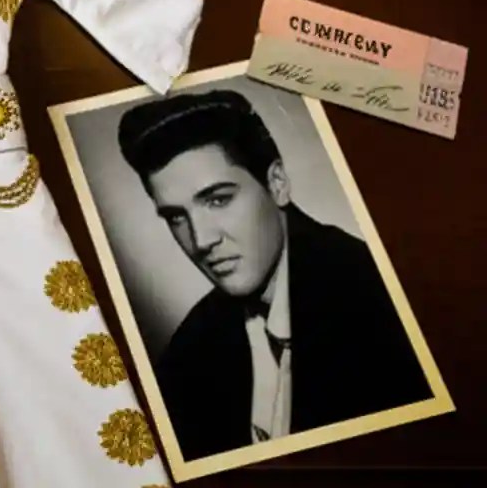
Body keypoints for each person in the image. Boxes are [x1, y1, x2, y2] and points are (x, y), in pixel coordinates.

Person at [117, 89, 431, 460]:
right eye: (176, 217)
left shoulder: (383, 298)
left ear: (277, 183)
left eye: (218, 199)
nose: (201, 240)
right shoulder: (189, 350)